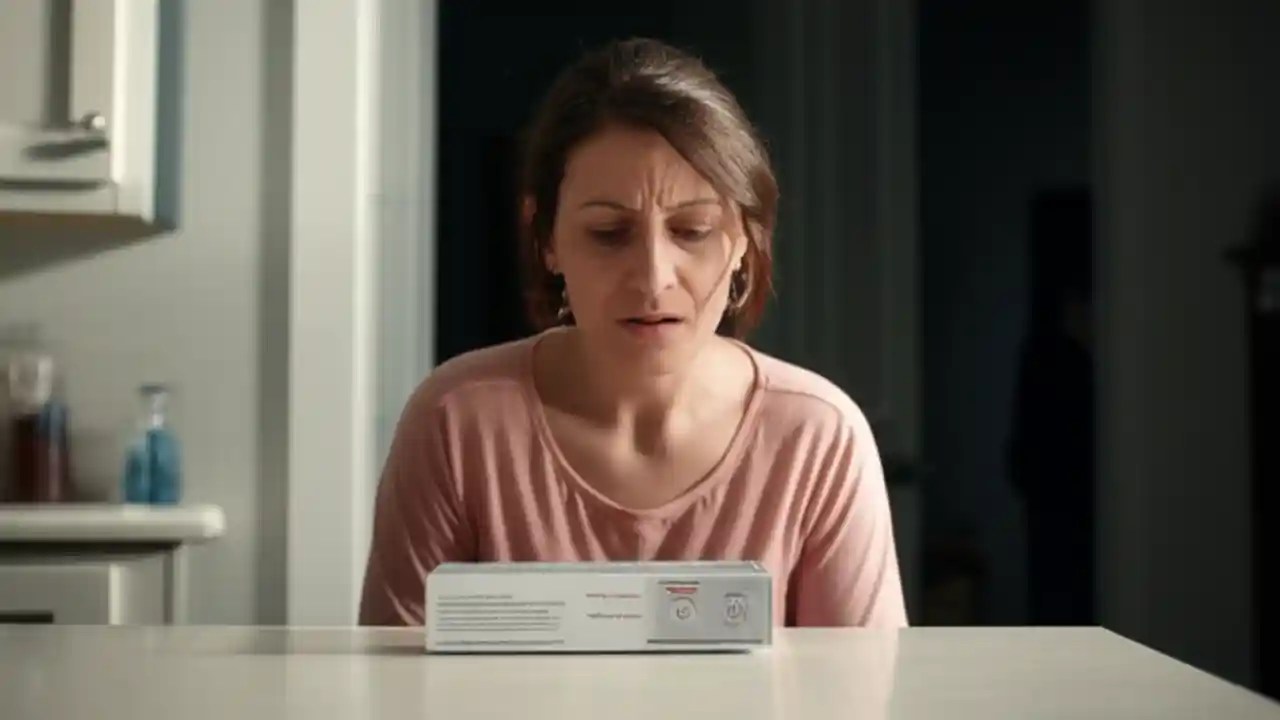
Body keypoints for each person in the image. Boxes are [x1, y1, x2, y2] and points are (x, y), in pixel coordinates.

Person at [358, 38, 907, 628]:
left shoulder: (817, 439)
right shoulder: (456, 421)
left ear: (746, 237)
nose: (652, 278)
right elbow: (394, 691)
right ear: (546, 239)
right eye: (608, 233)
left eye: (693, 230)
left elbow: (862, 698)